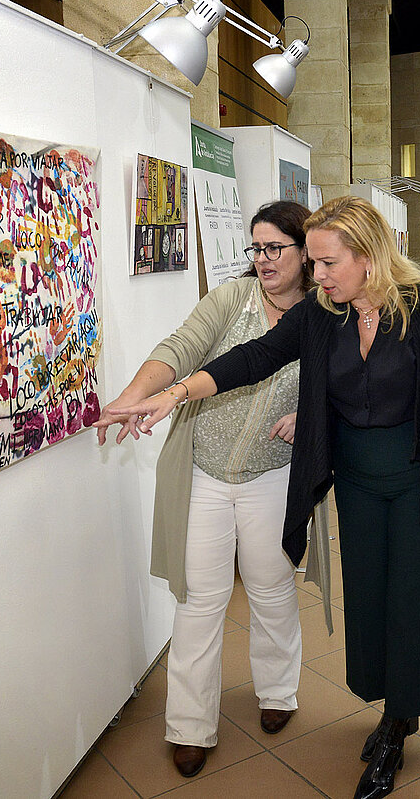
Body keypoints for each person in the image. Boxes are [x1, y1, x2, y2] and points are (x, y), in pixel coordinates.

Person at [115, 195, 420, 799]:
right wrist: (175, 393)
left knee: (415, 596)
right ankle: (392, 705)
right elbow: (253, 359)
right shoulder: (322, 314)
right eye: (314, 261)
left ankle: (397, 723)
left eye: (328, 262)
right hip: (358, 479)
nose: (319, 274)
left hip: (418, 475)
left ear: (367, 257)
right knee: (370, 596)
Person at [93, 201, 314, 779]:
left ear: (304, 252)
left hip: (274, 474)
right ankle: (191, 725)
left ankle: (277, 692)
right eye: (255, 248)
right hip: (206, 473)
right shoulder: (230, 300)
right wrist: (132, 397)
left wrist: (313, 416)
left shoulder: (325, 314)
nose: (262, 260)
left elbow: (343, 384)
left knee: (271, 587)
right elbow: (179, 350)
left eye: (274, 249)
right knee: (198, 597)